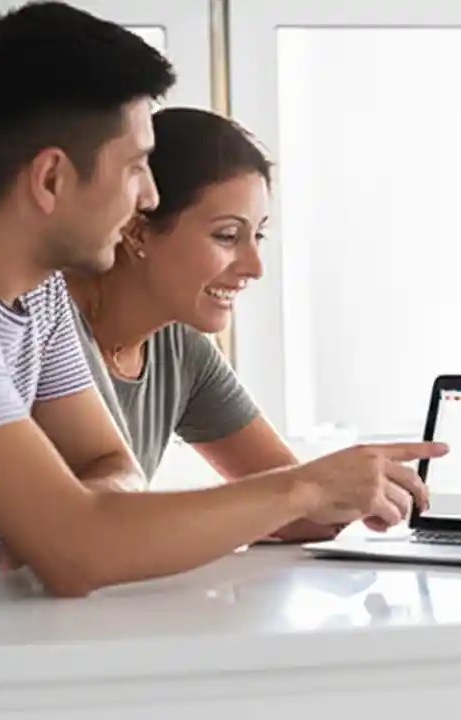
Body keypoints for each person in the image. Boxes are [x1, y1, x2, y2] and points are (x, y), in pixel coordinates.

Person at [0, 4, 445, 719]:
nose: (148, 195)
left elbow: (102, 464)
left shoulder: (34, 294)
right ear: (52, 178)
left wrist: (89, 518)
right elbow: (75, 551)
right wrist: (301, 486)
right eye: (137, 167)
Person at [65, 107, 340, 542]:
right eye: (227, 236)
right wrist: (303, 492)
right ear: (137, 231)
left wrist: (356, 482)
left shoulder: (179, 344)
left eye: (258, 236)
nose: (254, 268)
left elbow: (303, 514)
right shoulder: (44, 330)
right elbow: (86, 531)